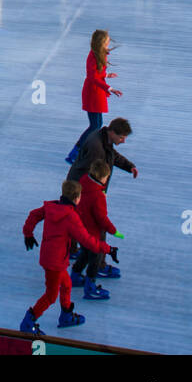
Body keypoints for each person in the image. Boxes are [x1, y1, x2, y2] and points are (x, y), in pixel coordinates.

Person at [19, 179, 117, 335]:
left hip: (52, 258)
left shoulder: (51, 207)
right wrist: (107, 248)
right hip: (55, 263)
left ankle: (66, 315)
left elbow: (33, 215)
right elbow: (87, 240)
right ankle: (29, 321)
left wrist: (28, 233)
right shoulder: (71, 217)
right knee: (51, 296)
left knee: (67, 285)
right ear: (77, 198)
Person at [65, 29, 121, 165]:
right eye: (107, 42)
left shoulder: (100, 54)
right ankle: (77, 151)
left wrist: (107, 76)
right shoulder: (93, 56)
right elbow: (92, 77)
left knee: (97, 124)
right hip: (93, 93)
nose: (108, 44)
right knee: (94, 125)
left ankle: (82, 151)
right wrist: (110, 88)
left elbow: (97, 73)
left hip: (97, 92)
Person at [69, 159, 119, 300]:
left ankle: (75, 275)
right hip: (93, 232)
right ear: (102, 177)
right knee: (95, 258)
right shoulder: (98, 196)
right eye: (106, 177)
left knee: (84, 254)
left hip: (80, 229)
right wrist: (113, 230)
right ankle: (90, 287)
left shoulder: (83, 183)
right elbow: (101, 218)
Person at [67, 116, 138, 188]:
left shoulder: (103, 137)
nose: (123, 141)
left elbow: (111, 154)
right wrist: (100, 193)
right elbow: (92, 176)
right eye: (121, 138)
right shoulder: (96, 149)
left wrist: (129, 166)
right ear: (112, 133)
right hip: (79, 190)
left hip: (79, 186)